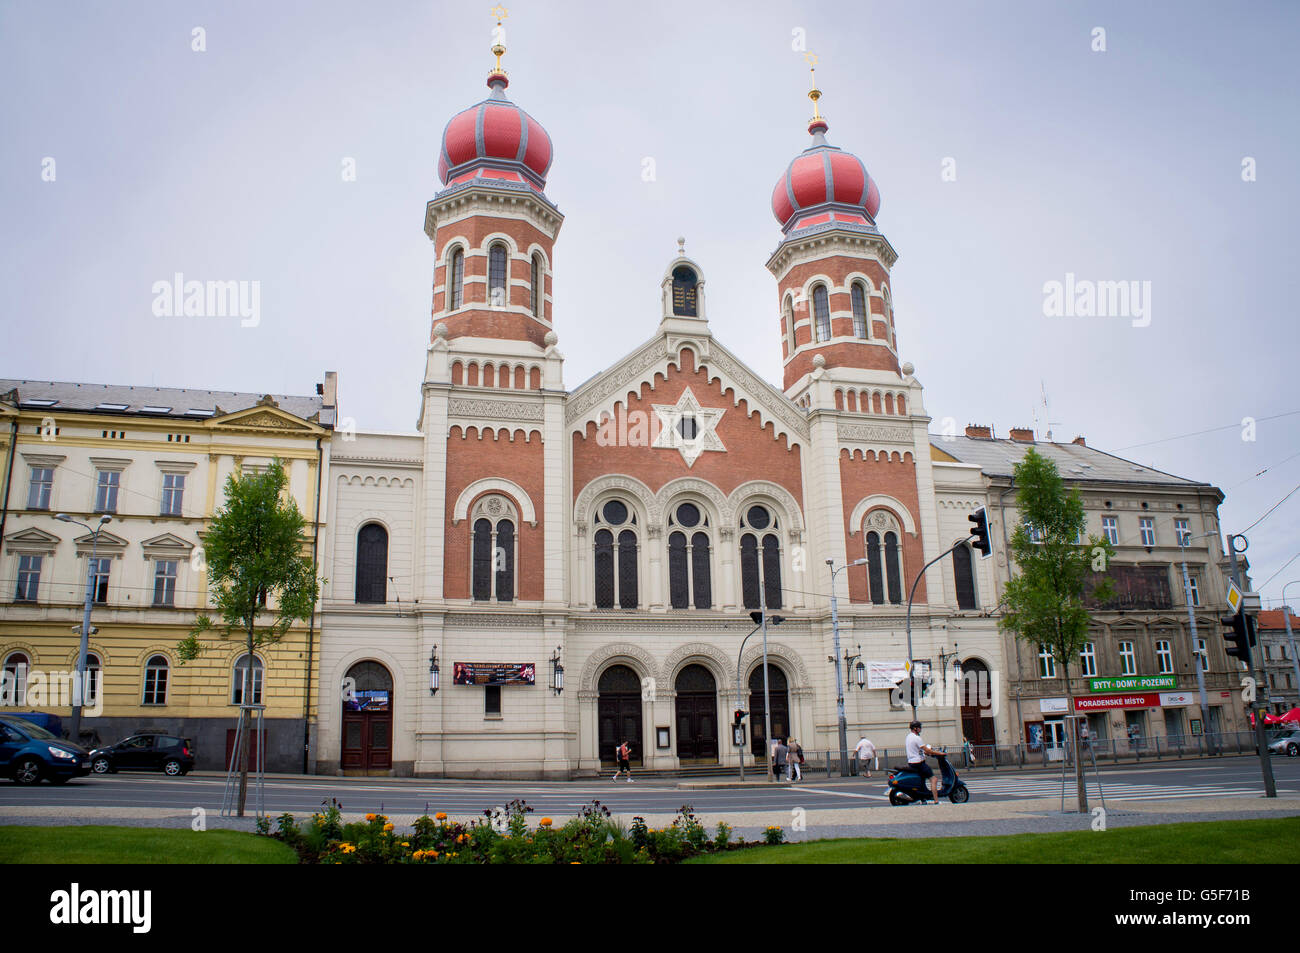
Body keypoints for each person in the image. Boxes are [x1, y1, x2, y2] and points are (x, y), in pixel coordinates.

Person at [906, 720, 942, 804]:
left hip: (911, 762)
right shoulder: (917, 738)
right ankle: (936, 800)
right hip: (919, 763)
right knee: (934, 779)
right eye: (919, 727)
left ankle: (923, 799)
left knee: (922, 780)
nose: (920, 729)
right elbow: (927, 749)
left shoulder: (908, 737)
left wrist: (926, 752)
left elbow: (919, 750)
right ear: (915, 728)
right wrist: (940, 753)